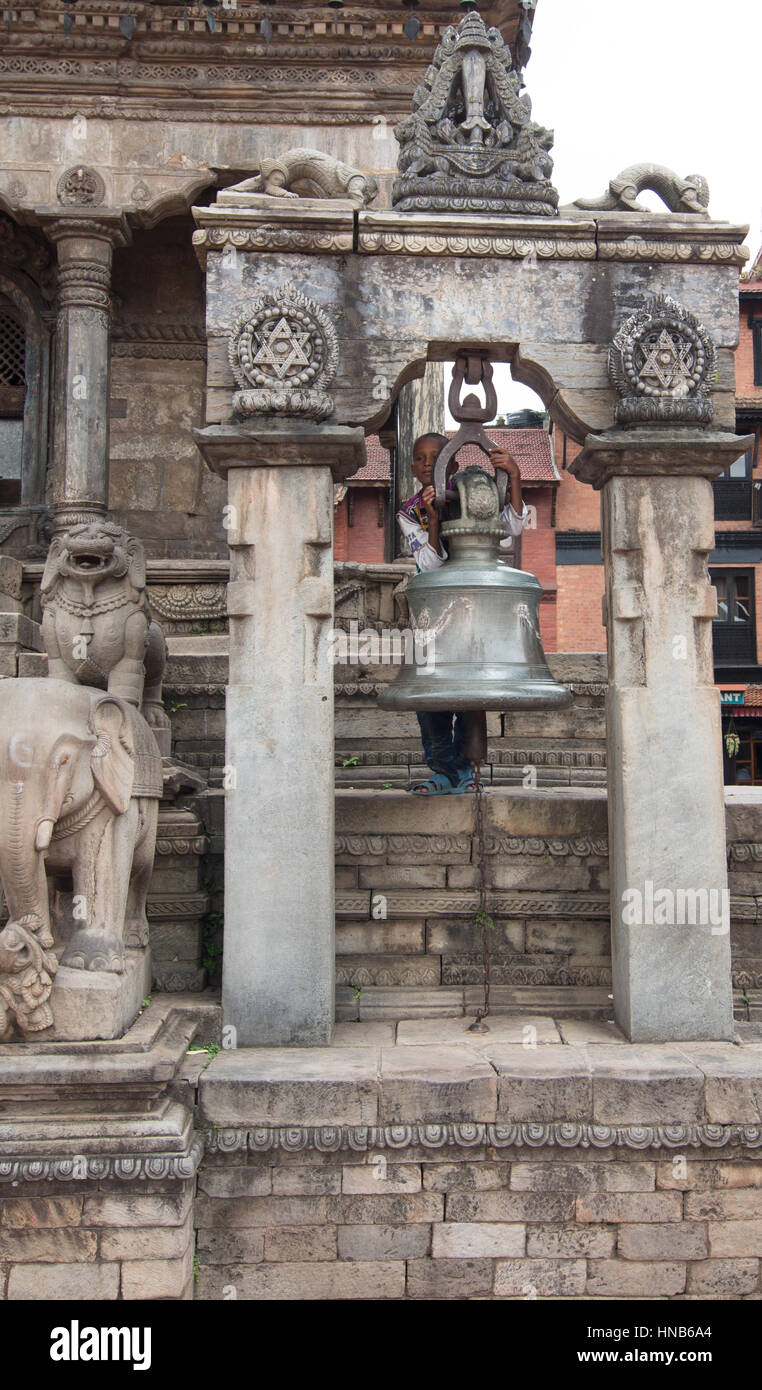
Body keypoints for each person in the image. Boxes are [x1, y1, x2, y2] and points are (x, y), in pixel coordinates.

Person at [396, 431, 529, 795]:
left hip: (473, 615)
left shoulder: (475, 494)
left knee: (472, 692)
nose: (427, 465)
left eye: (435, 458)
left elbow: (510, 531)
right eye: (420, 459)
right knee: (430, 698)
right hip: (433, 616)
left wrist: (513, 477)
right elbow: (430, 563)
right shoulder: (410, 512)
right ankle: (443, 772)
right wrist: (434, 518)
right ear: (412, 467)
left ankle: (470, 772)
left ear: (451, 462)